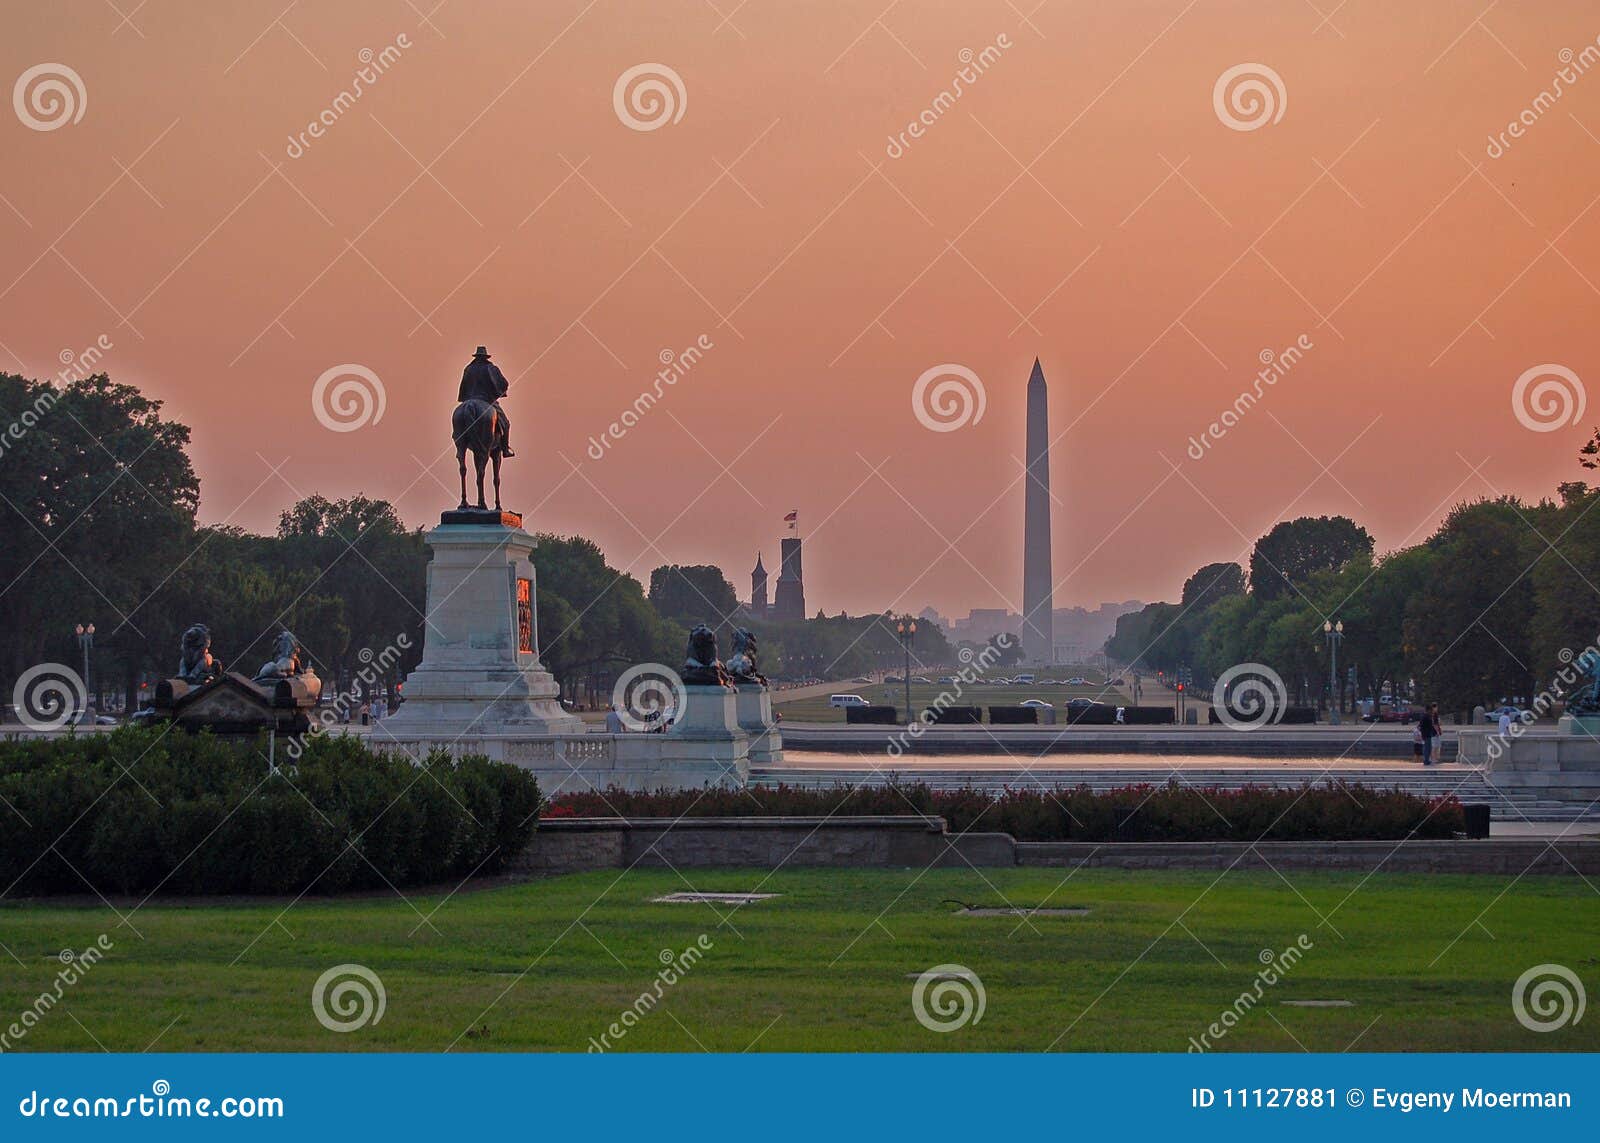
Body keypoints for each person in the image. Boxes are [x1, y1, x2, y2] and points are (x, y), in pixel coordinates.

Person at [457, 346, 514, 457]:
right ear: (485, 357)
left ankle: (460, 450)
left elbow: (463, 386)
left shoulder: (468, 368)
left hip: (468, 400)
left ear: (476, 356)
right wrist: (498, 392)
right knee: (506, 423)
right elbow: (503, 383)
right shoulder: (490, 368)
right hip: (487, 400)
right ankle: (505, 449)